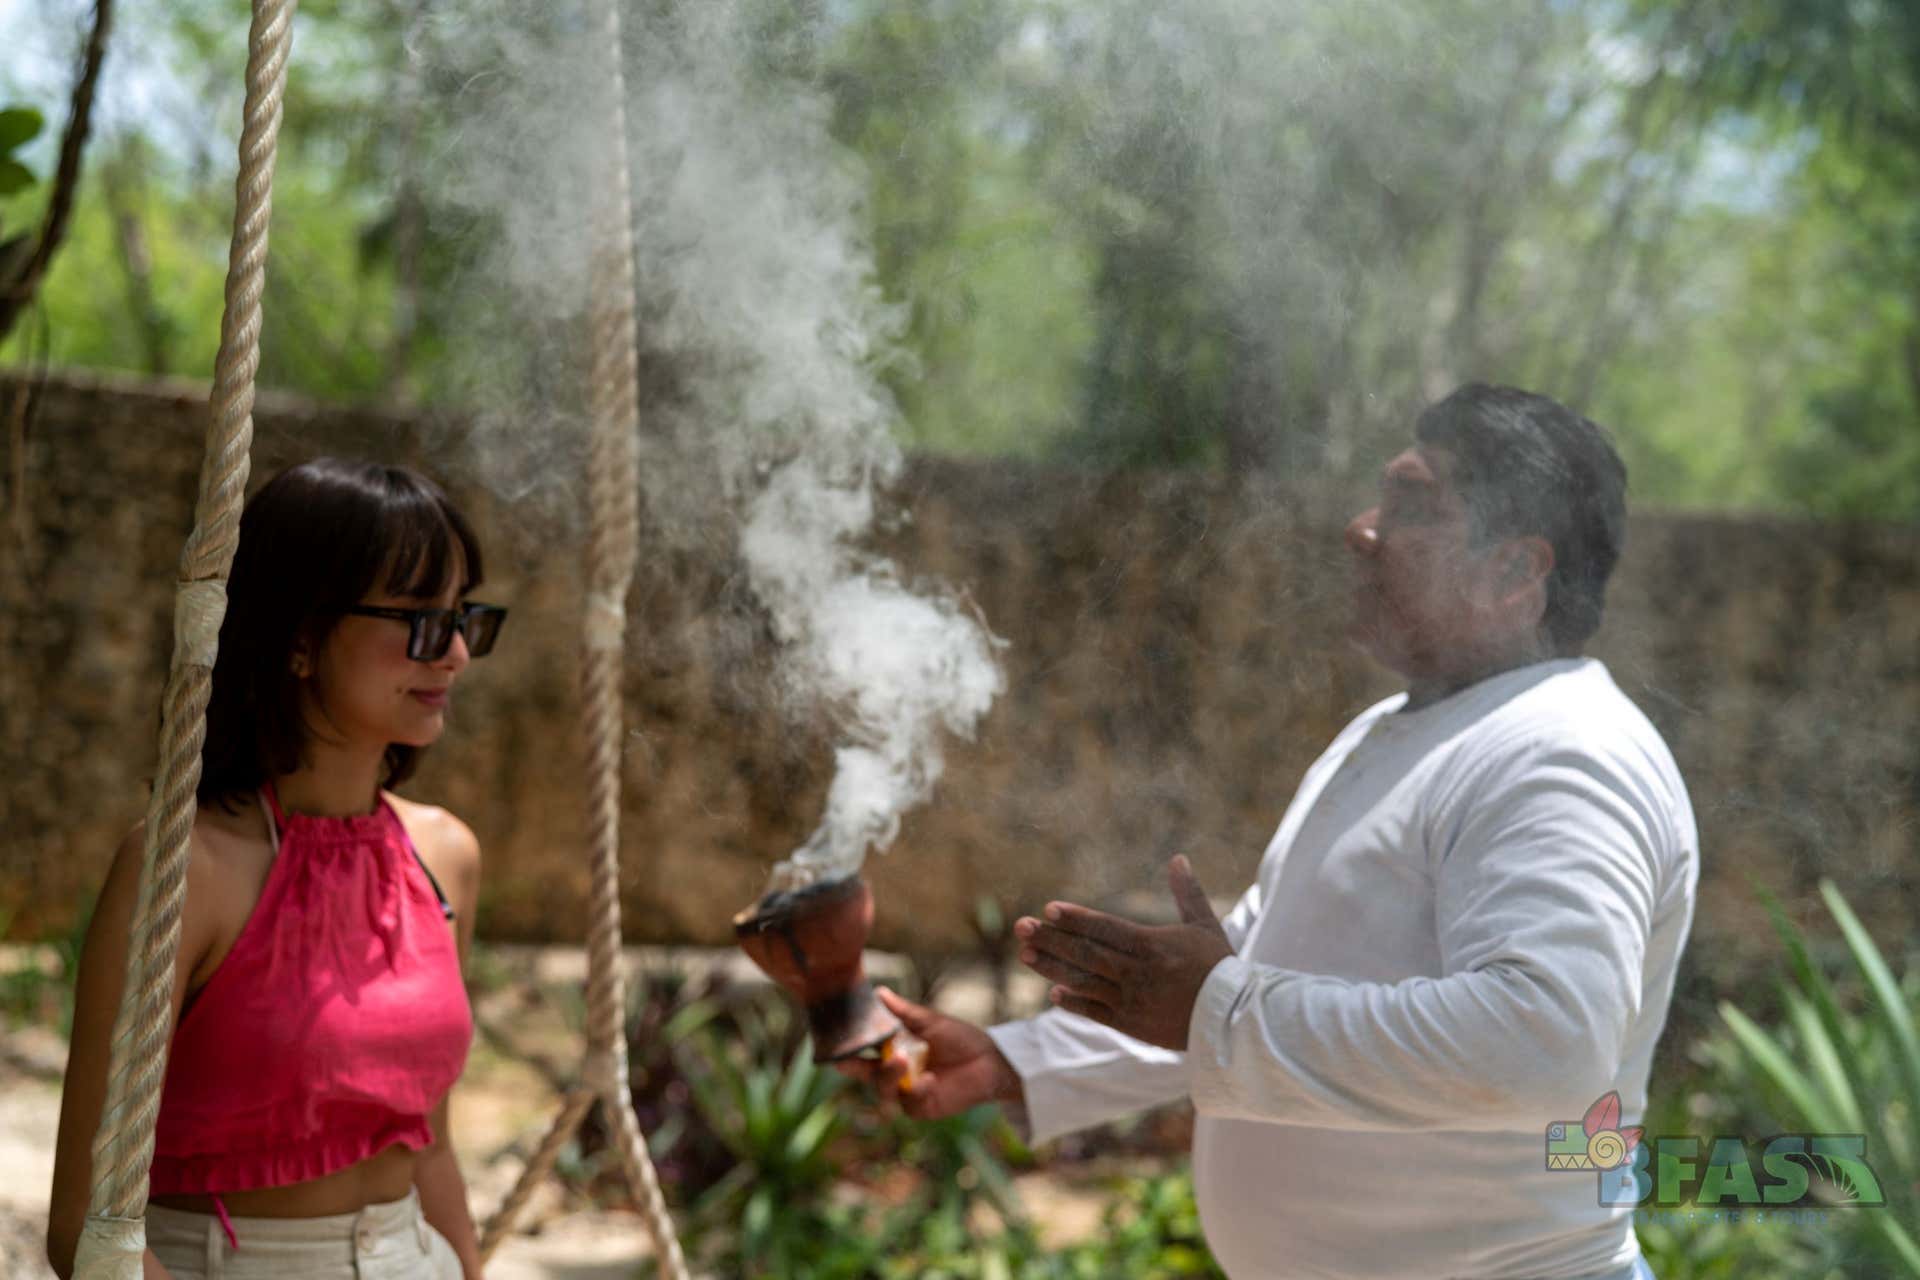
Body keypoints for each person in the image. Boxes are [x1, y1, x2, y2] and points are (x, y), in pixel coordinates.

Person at [847, 384, 1698, 1280]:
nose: (1361, 530)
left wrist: (1219, 1009)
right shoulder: (1394, 732)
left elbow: (1544, 1045)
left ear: (1514, 571)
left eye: (1412, 506)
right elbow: (1257, 970)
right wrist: (1015, 1062)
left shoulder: (1563, 751)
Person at [47, 458, 509, 1280]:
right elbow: (88, 1226)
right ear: (300, 639)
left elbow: (430, 1146)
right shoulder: (185, 868)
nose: (457, 654)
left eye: (463, 617)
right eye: (421, 620)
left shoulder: (444, 856)